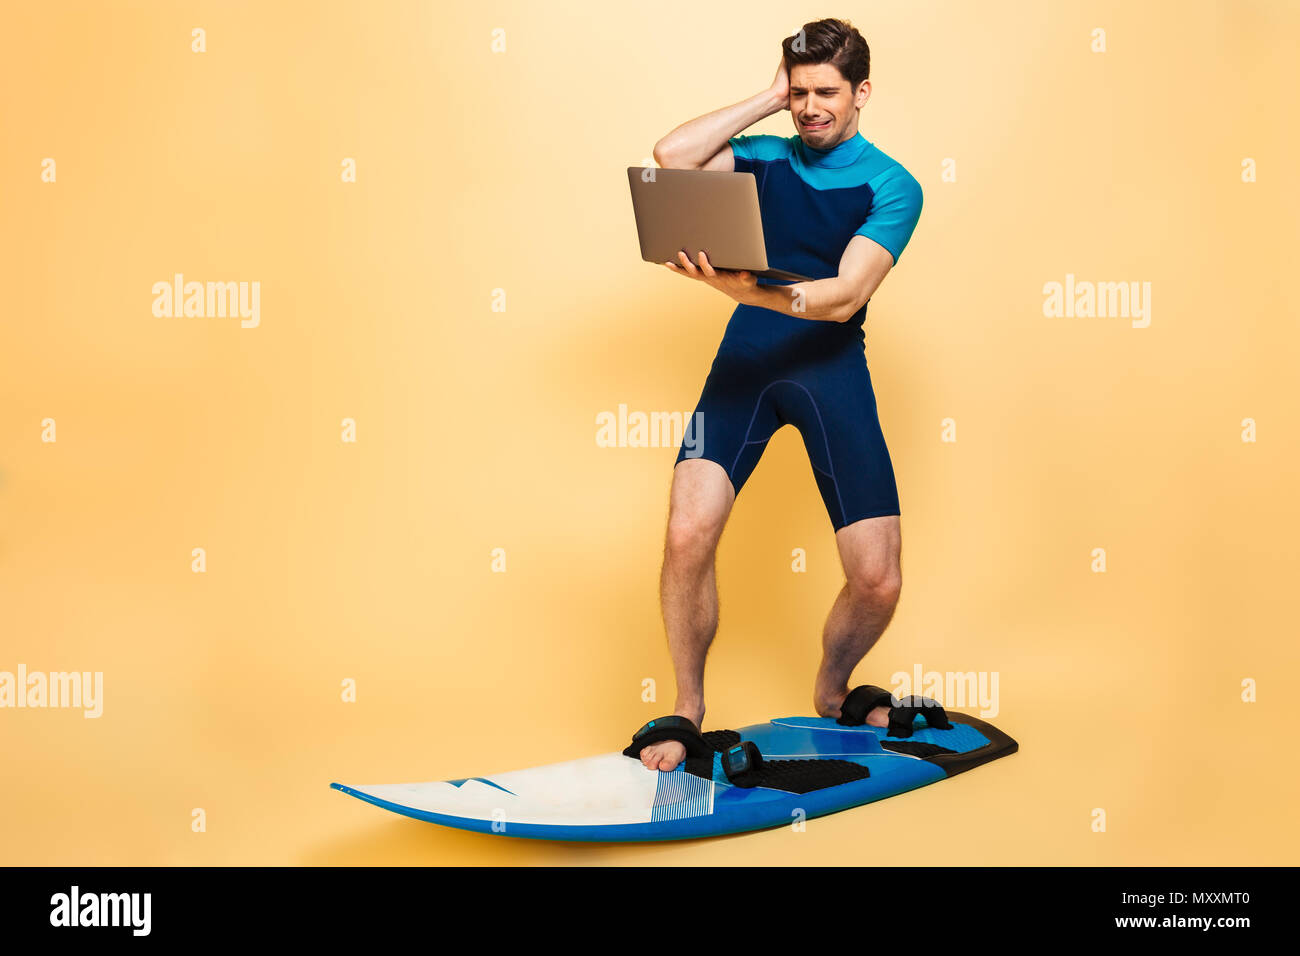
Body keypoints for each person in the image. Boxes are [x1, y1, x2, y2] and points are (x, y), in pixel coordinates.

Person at [641, 18, 924, 771]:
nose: (810, 107)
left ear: (861, 92)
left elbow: (841, 297)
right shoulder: (763, 155)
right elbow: (672, 158)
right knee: (685, 534)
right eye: (798, 93)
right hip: (748, 363)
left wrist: (737, 289)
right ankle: (687, 709)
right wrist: (767, 96)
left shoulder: (893, 185)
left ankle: (831, 692)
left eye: (824, 92)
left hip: (831, 368)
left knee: (877, 579)